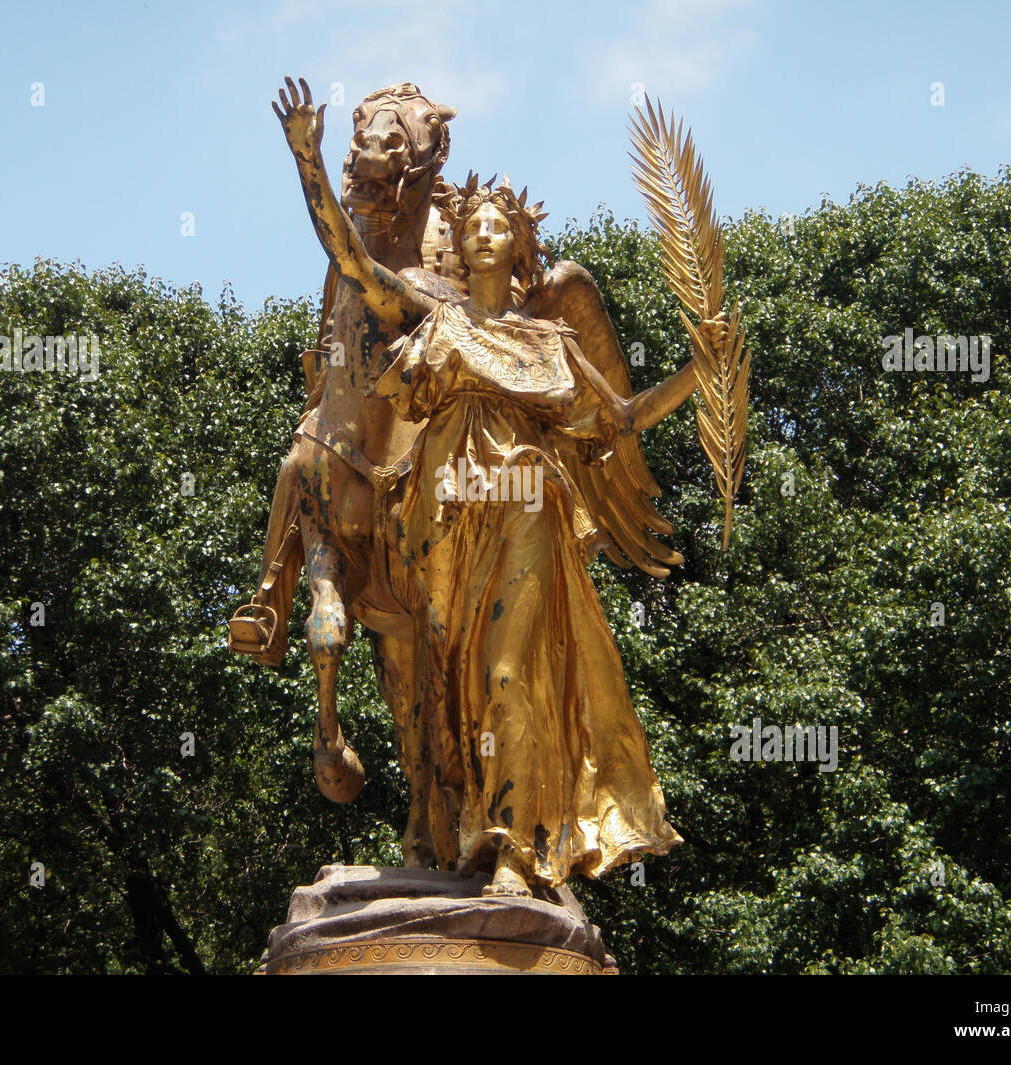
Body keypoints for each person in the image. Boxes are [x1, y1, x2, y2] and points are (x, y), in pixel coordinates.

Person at [273, 78, 725, 898]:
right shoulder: (432, 319)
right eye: (471, 223)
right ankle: (454, 834)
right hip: (442, 514)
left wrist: (703, 367)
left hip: (524, 511)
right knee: (441, 681)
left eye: (496, 226)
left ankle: (514, 844)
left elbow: (619, 420)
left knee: (510, 676)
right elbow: (352, 257)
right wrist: (306, 159)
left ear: (519, 252)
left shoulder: (550, 341)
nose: (478, 232)